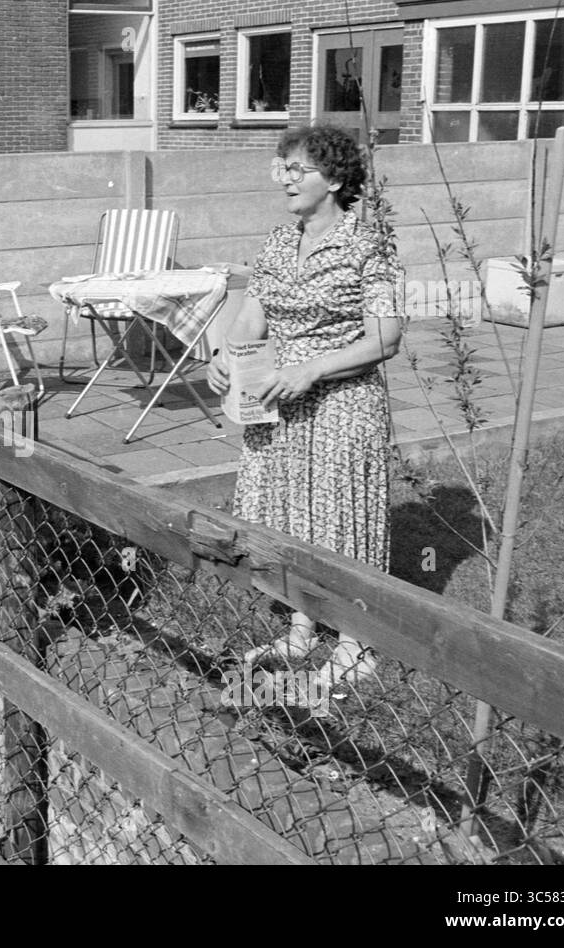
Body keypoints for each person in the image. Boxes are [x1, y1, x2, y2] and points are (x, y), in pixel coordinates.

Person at [207, 124, 403, 687]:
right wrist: (225, 353)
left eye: (299, 169)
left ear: (336, 179)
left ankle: (356, 642)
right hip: (275, 399)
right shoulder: (277, 240)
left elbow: (385, 338)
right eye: (282, 167)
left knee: (344, 517)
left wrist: (311, 369)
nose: (286, 179)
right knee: (287, 511)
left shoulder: (370, 244)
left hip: (342, 401)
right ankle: (301, 626)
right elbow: (252, 315)